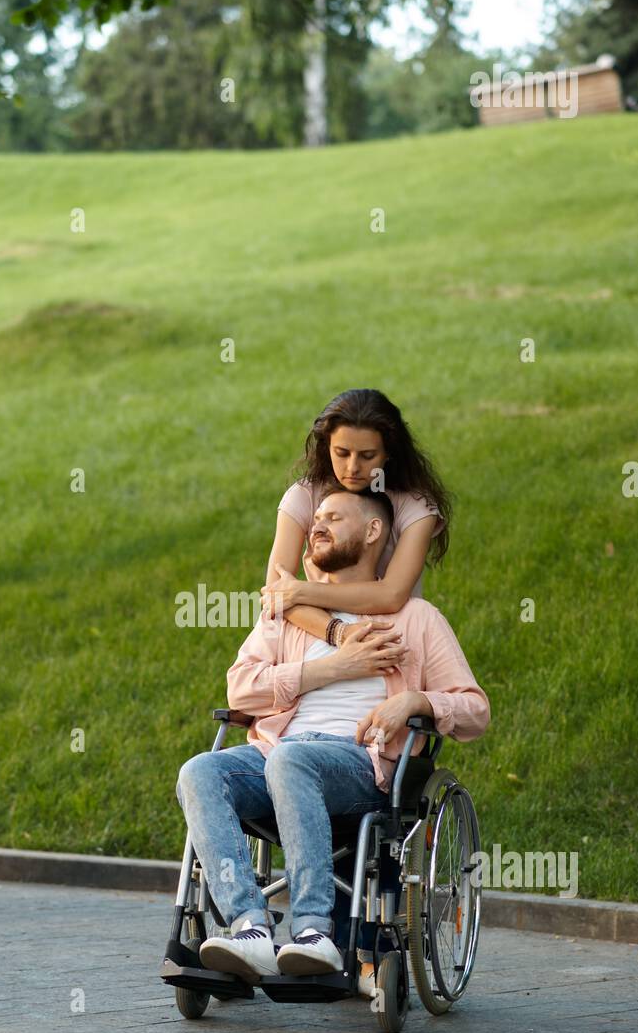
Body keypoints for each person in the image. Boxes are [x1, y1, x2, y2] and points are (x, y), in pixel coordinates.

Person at [175, 488, 489, 988]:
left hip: (360, 764)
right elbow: (240, 686)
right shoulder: (291, 616)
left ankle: (313, 933)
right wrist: (331, 668)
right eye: (315, 516)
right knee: (200, 772)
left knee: (292, 762)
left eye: (333, 517)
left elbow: (475, 710)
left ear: (372, 532)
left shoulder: (414, 619)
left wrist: (415, 702)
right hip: (277, 753)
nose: (316, 525)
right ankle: (251, 927)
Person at [261, 388, 452, 653]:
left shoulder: (415, 507)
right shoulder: (304, 496)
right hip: (313, 633)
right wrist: (338, 632)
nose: (352, 468)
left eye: (367, 456)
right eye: (342, 452)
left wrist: (301, 591)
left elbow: (392, 595)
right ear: (327, 445)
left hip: (393, 635)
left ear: (388, 453)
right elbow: (274, 594)